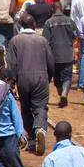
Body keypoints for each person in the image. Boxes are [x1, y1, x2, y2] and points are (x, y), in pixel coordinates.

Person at [7, 14, 55, 155]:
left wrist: (12, 83)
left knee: (26, 109)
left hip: (23, 79)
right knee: (40, 107)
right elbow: (51, 62)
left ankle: (32, 140)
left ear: (21, 25)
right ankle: (40, 129)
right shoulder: (42, 41)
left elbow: (12, 64)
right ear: (34, 25)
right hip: (41, 78)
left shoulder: (15, 40)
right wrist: (48, 78)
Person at [43, 2, 78, 107]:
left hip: (54, 56)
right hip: (67, 55)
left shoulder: (49, 23)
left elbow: (45, 40)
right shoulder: (69, 21)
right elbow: (76, 35)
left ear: (53, 9)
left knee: (57, 78)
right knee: (67, 77)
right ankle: (64, 93)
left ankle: (61, 93)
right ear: (61, 9)